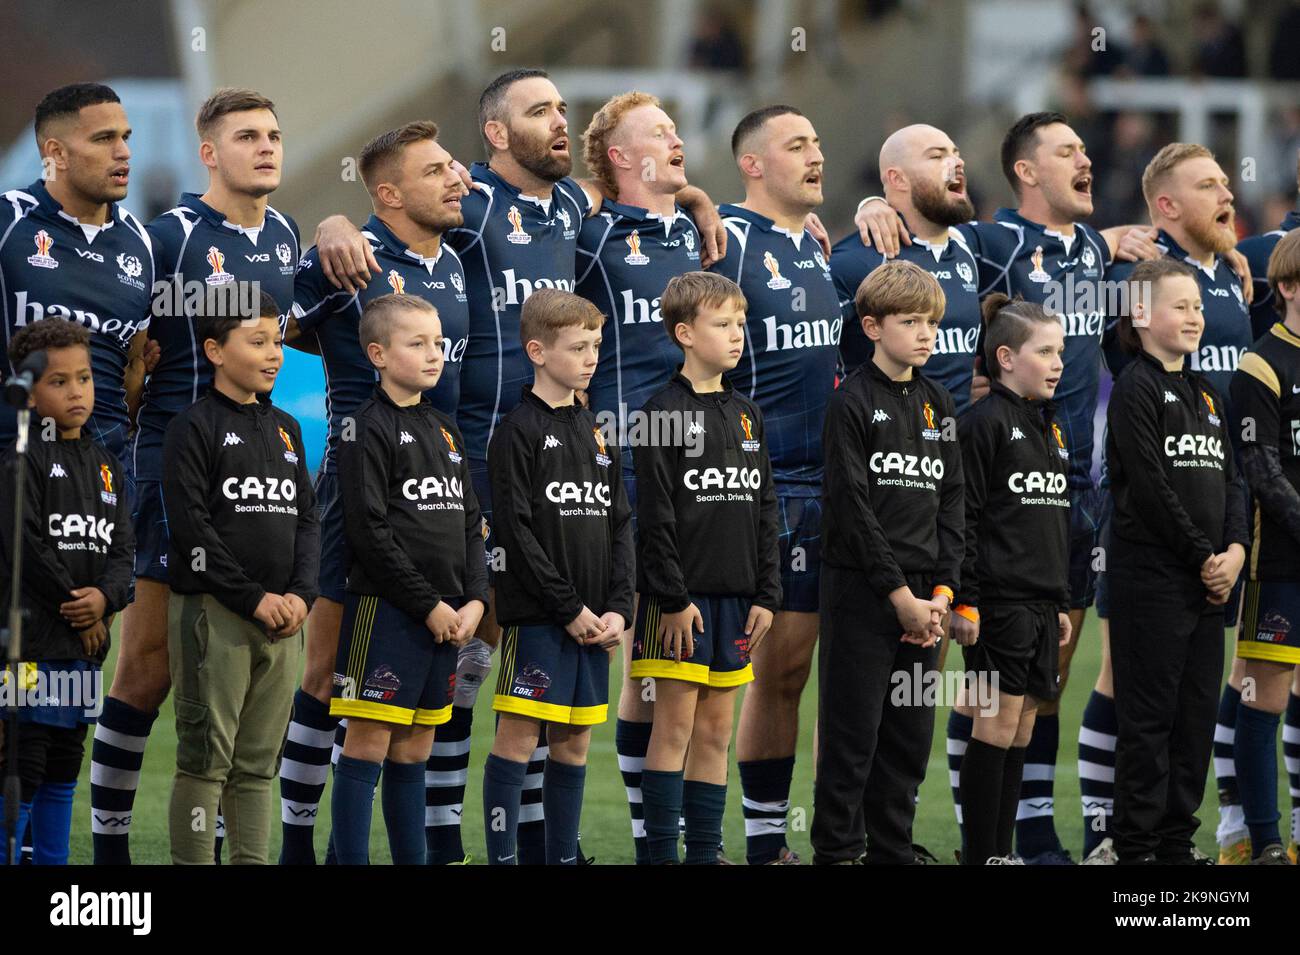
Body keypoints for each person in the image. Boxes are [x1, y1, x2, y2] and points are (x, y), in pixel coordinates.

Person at [313, 71, 723, 863]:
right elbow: (391, 210)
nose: (559, 119)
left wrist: (699, 199)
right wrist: (334, 218)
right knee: (444, 656)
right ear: (496, 134)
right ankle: (421, 839)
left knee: (527, 664)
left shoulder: (572, 207)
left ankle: (536, 844)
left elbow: (640, 195)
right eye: (541, 111)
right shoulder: (468, 200)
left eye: (563, 109)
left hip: (551, 459)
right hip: (457, 457)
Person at [100, 86, 299, 866]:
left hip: (257, 478)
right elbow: (128, 350)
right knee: (149, 664)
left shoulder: (283, 235)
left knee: (242, 673)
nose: (267, 147)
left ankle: (221, 844)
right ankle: (111, 846)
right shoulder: (170, 238)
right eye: (248, 135)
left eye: (275, 134)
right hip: (172, 474)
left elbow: (307, 328)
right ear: (208, 153)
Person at [281, 120, 479, 865]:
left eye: (453, 166)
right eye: (436, 171)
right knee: (330, 670)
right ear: (389, 194)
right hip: (358, 489)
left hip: (441, 487)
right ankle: (301, 841)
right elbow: (269, 328)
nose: (456, 179)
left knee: (433, 673)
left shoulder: (456, 259)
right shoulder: (348, 259)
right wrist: (330, 223)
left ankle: (421, 844)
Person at [710, 105, 842, 865]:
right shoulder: (725, 240)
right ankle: (764, 842)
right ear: (753, 164)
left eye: (817, 141)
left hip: (843, 486)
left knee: (852, 668)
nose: (815, 154)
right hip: (770, 487)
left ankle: (843, 835)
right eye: (798, 144)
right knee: (779, 666)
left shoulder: (822, 250)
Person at [811, 260, 963, 865]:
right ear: (872, 327)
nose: (925, 333)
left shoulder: (939, 401)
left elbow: (952, 505)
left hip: (928, 600)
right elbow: (851, 507)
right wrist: (898, 594)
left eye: (931, 322)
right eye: (910, 321)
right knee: (853, 733)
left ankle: (892, 848)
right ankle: (839, 851)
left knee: (908, 736)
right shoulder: (850, 403)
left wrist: (943, 595)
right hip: (864, 591)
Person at [328, 293, 487, 864]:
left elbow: (472, 523)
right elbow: (368, 531)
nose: (433, 353)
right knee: (367, 745)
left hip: (448, 616)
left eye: (438, 343)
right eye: (416, 343)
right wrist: (427, 604)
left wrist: (474, 600)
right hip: (388, 612)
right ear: (377, 353)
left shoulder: (445, 430)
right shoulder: (363, 426)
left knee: (415, 750)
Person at [161, 292, 318, 864]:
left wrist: (302, 595)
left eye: (277, 341)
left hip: (284, 623)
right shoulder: (191, 428)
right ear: (214, 351)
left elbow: (307, 519)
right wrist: (254, 598)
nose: (274, 353)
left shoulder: (286, 428)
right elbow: (192, 530)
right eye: (257, 342)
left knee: (257, 767)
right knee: (206, 762)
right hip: (216, 613)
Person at [632, 272, 779, 864]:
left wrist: (767, 593)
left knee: (716, 732)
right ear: (685, 333)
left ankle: (706, 852)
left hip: (739, 602)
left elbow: (765, 508)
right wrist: (670, 598)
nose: (737, 335)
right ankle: (662, 854)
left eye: (740, 323)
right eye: (723, 325)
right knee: (674, 731)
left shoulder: (747, 413)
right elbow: (655, 518)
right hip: (680, 605)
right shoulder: (659, 412)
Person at [482, 288, 634, 865]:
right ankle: (502, 857)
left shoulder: (597, 429)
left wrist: (618, 606)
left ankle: (561, 858)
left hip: (598, 619)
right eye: (578, 347)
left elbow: (621, 523)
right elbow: (516, 535)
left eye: (596, 345)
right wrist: (568, 609)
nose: (591, 356)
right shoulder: (516, 431)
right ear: (538, 351)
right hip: (543, 619)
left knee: (574, 744)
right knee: (519, 739)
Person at [1106, 258, 1247, 864]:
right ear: (1142, 315)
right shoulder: (1135, 389)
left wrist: (1236, 552)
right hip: (1155, 582)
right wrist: (1204, 556)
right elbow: (1149, 487)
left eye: (1197, 306)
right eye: (1180, 306)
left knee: (1194, 722)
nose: (1195, 317)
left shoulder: (1208, 395)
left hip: (1209, 585)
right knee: (1150, 721)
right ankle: (1135, 848)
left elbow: (1236, 484)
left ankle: (1175, 845)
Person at [0, 319, 133, 864]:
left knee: (62, 765)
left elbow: (124, 550)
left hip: (83, 653)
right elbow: (25, 546)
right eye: (60, 382)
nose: (77, 391)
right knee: (24, 766)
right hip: (33, 646)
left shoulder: (105, 466)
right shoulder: (20, 457)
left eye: (84, 378)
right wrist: (80, 608)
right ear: (30, 390)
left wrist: (106, 599)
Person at [954, 295, 1072, 864]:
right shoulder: (982, 424)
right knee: (996, 725)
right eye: (1044, 351)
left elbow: (1052, 523)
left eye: (1062, 352)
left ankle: (1002, 853)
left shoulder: (1049, 425)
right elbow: (964, 520)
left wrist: (1061, 602)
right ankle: (983, 853)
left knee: (1023, 727)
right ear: (1004, 357)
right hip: (998, 604)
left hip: (1041, 606)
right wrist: (968, 601)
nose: (1057, 363)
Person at [1226, 228, 1300, 864]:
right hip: (1279, 562)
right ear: (1288, 288)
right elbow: (1262, 472)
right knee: (1263, 695)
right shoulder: (1261, 365)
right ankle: (1265, 841)